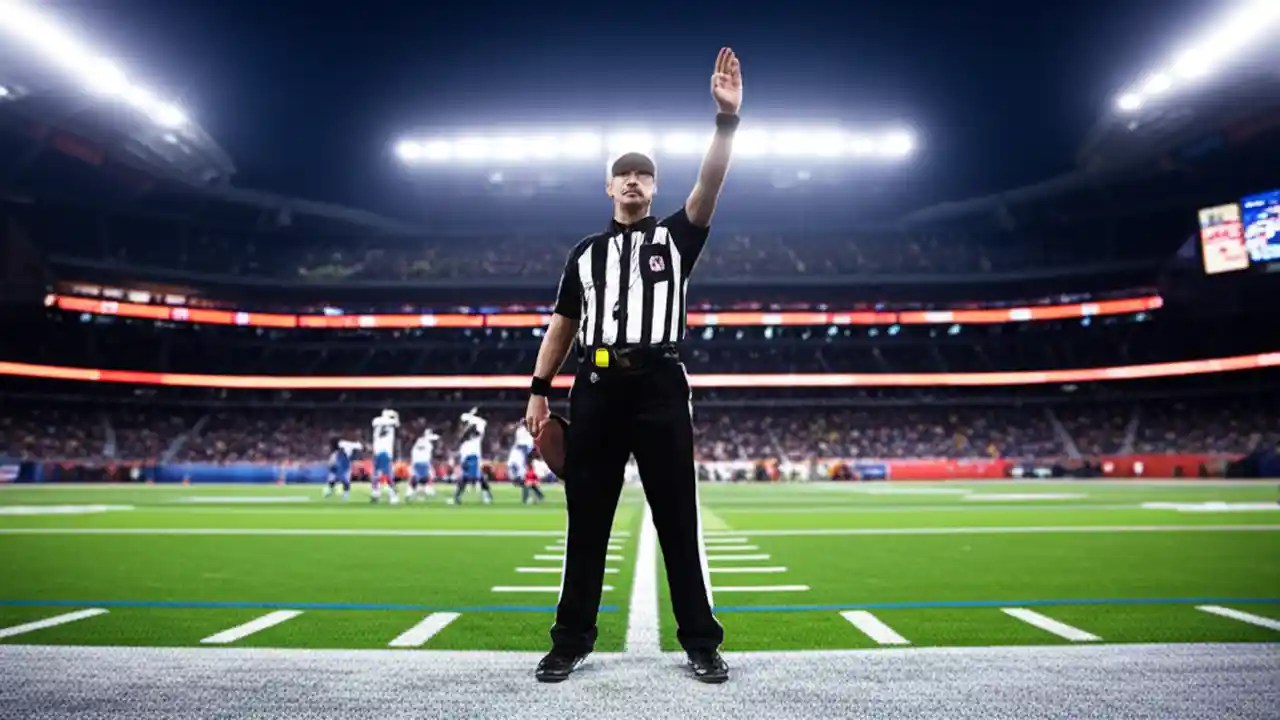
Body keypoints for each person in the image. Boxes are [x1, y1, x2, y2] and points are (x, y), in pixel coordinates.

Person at [525, 47, 741, 684]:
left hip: (660, 385)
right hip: (594, 386)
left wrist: (726, 122)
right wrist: (539, 389)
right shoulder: (584, 254)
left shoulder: (676, 236)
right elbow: (561, 326)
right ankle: (570, 640)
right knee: (586, 518)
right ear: (608, 187)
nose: (632, 182)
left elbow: (712, 184)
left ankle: (701, 641)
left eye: (643, 176)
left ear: (653, 189)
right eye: (623, 175)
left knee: (678, 513)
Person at [450, 408, 493, 505]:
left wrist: (471, 416)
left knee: (472, 477)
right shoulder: (467, 421)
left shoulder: (480, 423)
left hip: (473, 454)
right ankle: (487, 495)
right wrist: (470, 414)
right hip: (466, 453)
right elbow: (464, 418)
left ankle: (457, 497)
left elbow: (473, 431)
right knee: (470, 477)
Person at [370, 409, 401, 504]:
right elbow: (397, 423)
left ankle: (376, 492)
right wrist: (395, 415)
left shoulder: (376, 420)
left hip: (378, 451)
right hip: (386, 451)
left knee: (377, 472)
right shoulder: (391, 422)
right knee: (388, 474)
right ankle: (393, 494)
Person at [409, 429, 440, 500]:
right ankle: (426, 488)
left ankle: (412, 491)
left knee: (417, 476)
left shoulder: (421, 442)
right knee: (430, 475)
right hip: (422, 462)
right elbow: (435, 437)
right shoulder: (425, 441)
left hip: (417, 462)